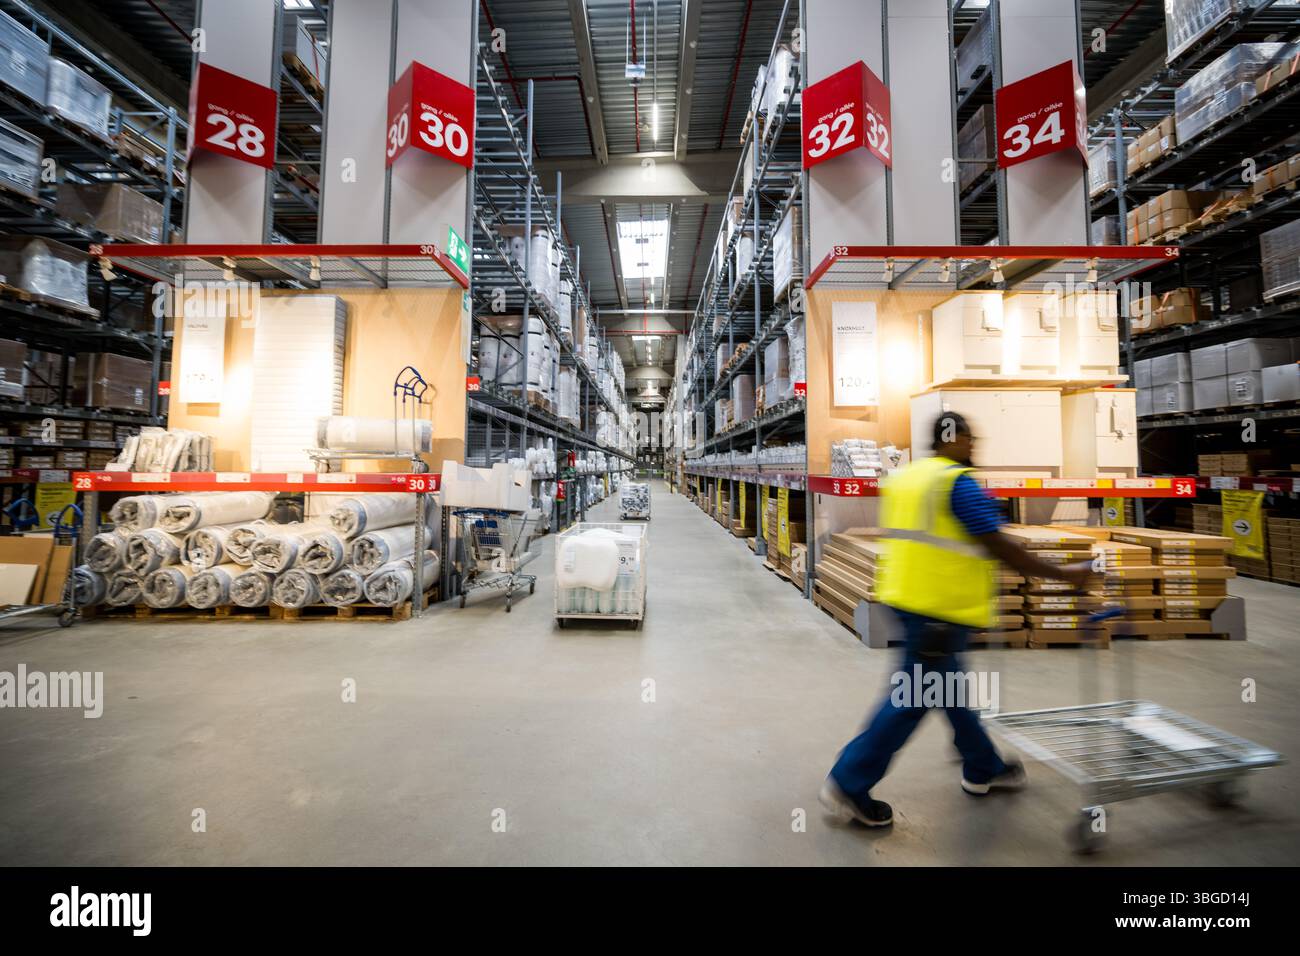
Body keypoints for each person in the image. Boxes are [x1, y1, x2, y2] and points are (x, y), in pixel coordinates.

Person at [819, 412, 1094, 828]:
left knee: (950, 691)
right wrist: (1066, 575)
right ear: (953, 438)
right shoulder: (956, 483)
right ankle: (848, 782)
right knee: (912, 698)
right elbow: (1000, 546)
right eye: (970, 438)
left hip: (908, 600)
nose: (974, 446)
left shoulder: (909, 477)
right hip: (938, 611)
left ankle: (983, 767)